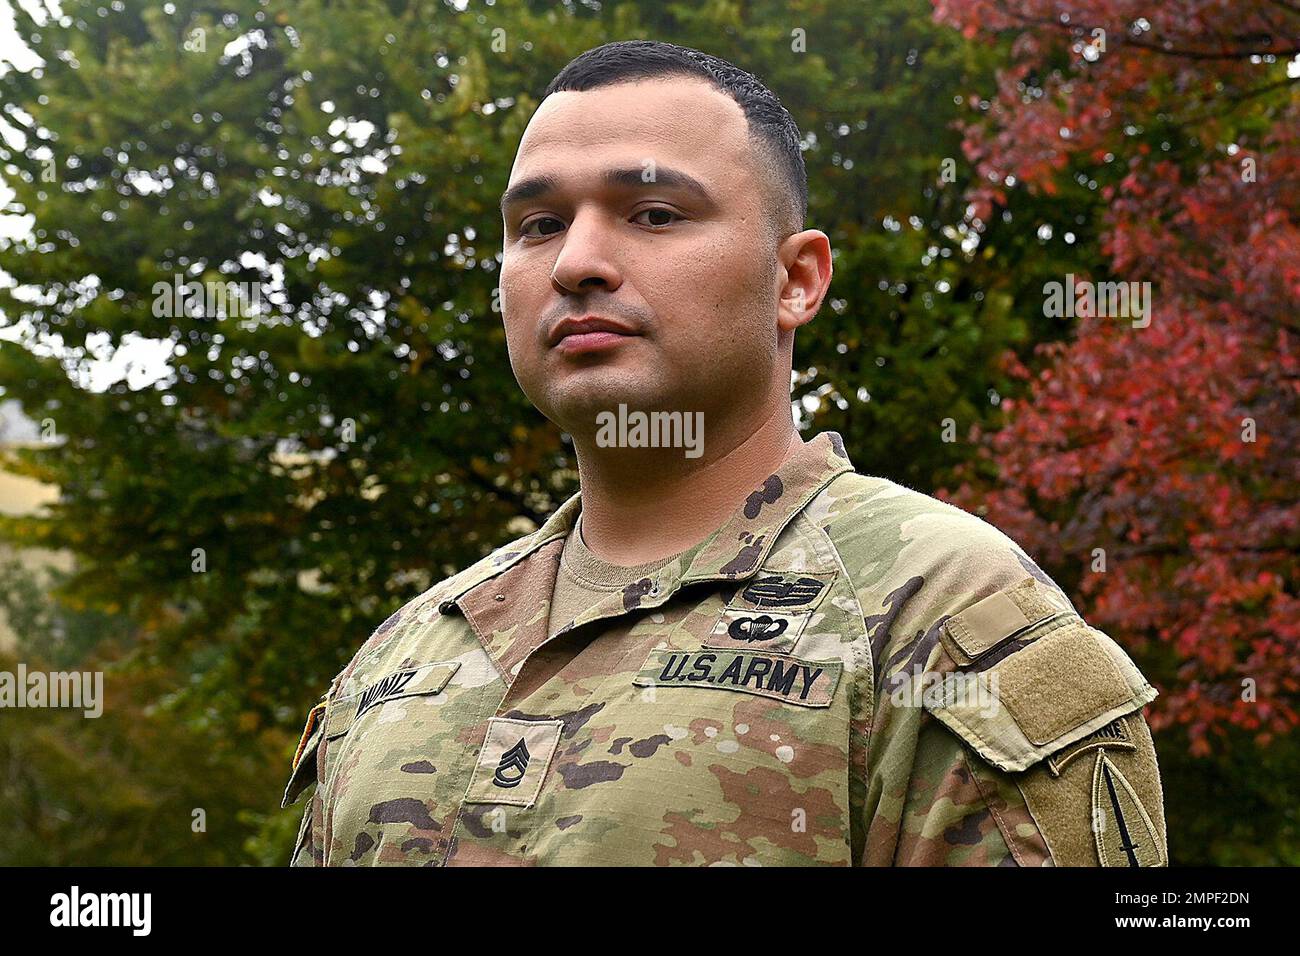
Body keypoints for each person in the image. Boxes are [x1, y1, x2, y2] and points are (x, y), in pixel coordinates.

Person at [283, 39, 1167, 866]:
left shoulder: (946, 621)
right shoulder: (403, 658)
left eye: (655, 212)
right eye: (540, 225)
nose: (577, 262)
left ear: (796, 280)